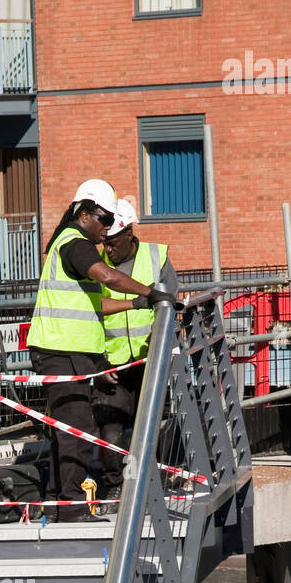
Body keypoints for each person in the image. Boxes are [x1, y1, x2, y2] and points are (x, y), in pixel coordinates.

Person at [26, 179, 170, 522]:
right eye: (104, 220)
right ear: (85, 213)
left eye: (110, 223)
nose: (107, 230)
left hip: (70, 352)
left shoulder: (74, 244)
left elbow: (95, 305)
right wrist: (151, 293)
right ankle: (72, 508)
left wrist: (135, 302)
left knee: (73, 428)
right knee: (74, 430)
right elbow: (107, 276)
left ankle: (61, 500)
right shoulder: (75, 244)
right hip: (59, 351)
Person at [92, 200, 179, 504]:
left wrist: (159, 344)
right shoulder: (96, 263)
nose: (108, 248)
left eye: (113, 242)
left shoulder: (156, 257)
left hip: (149, 360)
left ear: (129, 233)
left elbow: (169, 305)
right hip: (112, 364)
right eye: (104, 241)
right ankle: (116, 485)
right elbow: (90, 312)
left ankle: (157, 482)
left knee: (155, 426)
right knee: (110, 431)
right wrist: (98, 362)